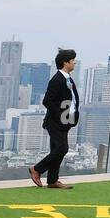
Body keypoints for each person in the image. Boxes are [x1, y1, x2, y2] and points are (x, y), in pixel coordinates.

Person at [31, 49, 81, 190]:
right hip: (56, 122)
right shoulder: (57, 80)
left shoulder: (68, 79)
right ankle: (36, 169)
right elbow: (47, 101)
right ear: (66, 62)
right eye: (72, 60)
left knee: (57, 150)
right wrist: (60, 115)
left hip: (65, 121)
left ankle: (52, 180)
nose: (74, 62)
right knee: (62, 148)